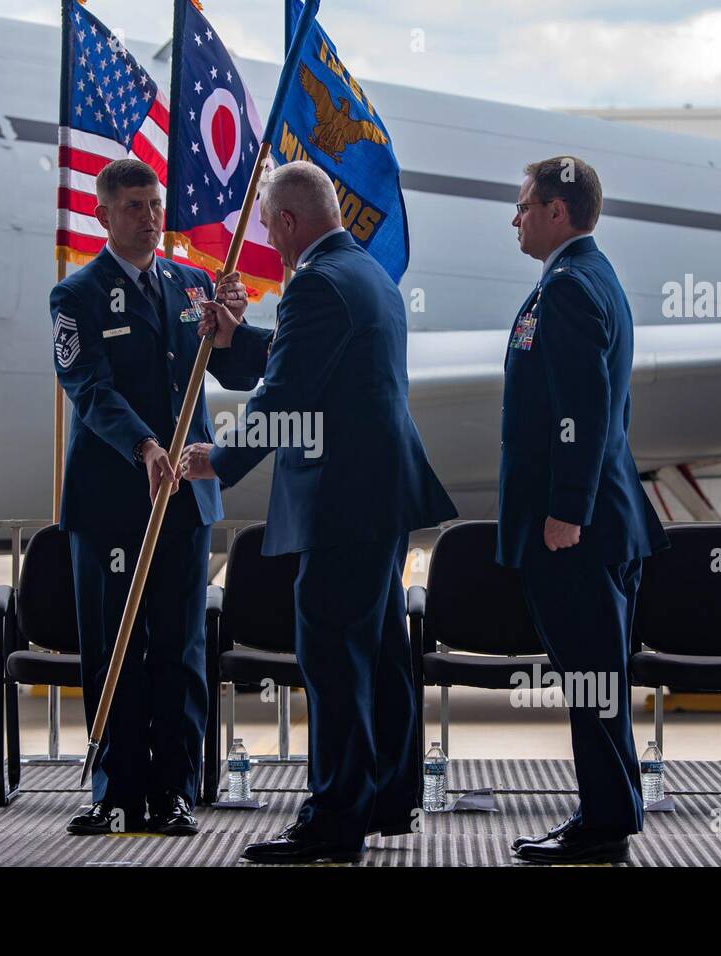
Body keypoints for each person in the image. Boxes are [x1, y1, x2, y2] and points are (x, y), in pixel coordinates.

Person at [180, 161, 457, 863]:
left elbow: (282, 398)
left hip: (343, 502)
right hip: (378, 497)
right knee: (381, 652)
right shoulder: (362, 274)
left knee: (332, 655)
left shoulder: (317, 285)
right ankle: (389, 796)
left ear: (292, 221)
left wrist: (222, 456)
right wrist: (231, 341)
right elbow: (292, 360)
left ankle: (333, 820)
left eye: (270, 224)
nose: (268, 238)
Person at [49, 157, 264, 836]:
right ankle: (116, 791)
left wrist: (234, 323)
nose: (151, 217)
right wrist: (145, 445)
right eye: (136, 206)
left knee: (178, 646)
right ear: (103, 214)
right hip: (113, 499)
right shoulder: (76, 295)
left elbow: (229, 366)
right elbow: (89, 387)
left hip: (183, 504)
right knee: (114, 646)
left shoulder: (191, 282)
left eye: (155, 204)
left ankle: (174, 789)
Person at [499, 156, 669, 865]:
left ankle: (602, 824)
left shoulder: (569, 287)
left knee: (593, 678)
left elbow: (584, 412)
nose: (516, 219)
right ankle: (608, 812)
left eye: (525, 205)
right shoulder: (587, 277)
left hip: (581, 531)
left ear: (556, 212)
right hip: (600, 524)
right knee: (596, 677)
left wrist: (567, 508)